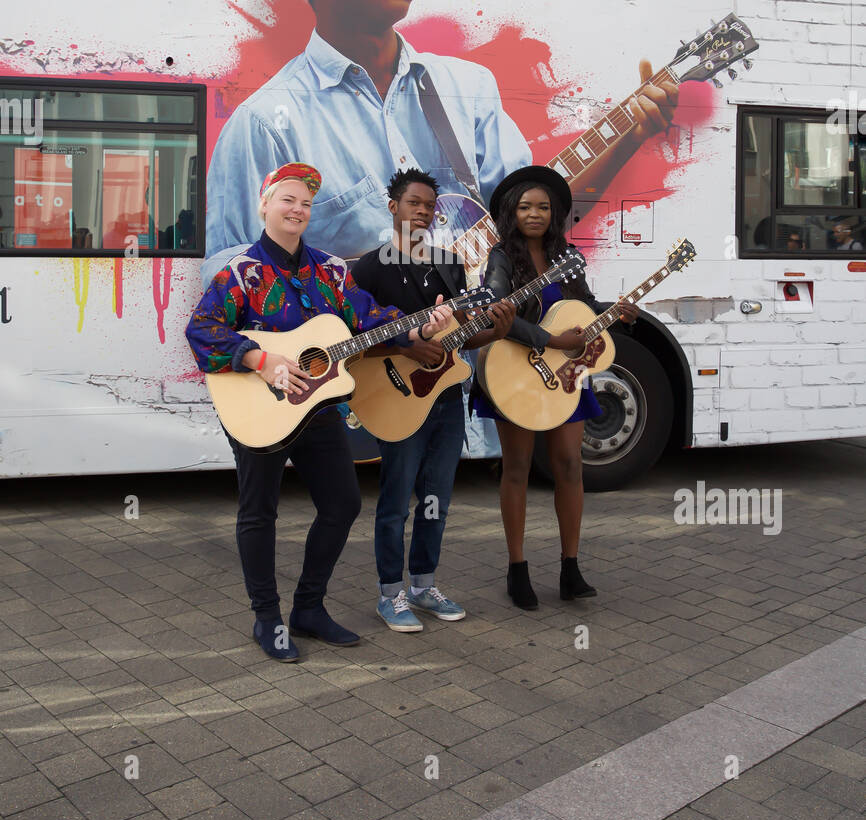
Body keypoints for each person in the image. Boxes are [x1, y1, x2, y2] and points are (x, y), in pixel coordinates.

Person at [202, 0, 678, 285]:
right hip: (355, 381)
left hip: (466, 371)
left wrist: (627, 137)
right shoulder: (264, 123)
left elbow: (536, 219)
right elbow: (228, 275)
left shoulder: (467, 87)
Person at [185, 161, 449, 663]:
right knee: (259, 511)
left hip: (319, 406)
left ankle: (308, 607)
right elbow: (203, 330)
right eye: (287, 199)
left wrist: (421, 329)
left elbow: (373, 319)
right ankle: (267, 618)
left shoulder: (330, 269)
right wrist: (260, 359)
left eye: (305, 204)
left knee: (343, 504)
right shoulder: (241, 272)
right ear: (265, 205)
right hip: (259, 409)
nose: (298, 210)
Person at [351, 168, 516, 632]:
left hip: (443, 396)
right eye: (414, 203)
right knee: (396, 499)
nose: (423, 212)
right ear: (393, 208)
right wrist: (405, 345)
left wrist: (497, 329)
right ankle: (390, 594)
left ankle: (423, 586)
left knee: (436, 498)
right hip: (396, 396)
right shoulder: (368, 267)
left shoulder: (450, 264)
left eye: (429, 206)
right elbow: (354, 338)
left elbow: (458, 336)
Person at [470, 166, 638, 610]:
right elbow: (499, 315)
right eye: (525, 207)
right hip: (517, 373)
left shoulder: (567, 255)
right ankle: (517, 570)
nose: (534, 214)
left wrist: (612, 310)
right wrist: (551, 340)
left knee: (568, 466)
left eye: (543, 207)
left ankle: (570, 567)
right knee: (518, 469)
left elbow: (579, 309)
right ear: (511, 212)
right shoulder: (501, 258)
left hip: (563, 373)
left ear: (555, 213)